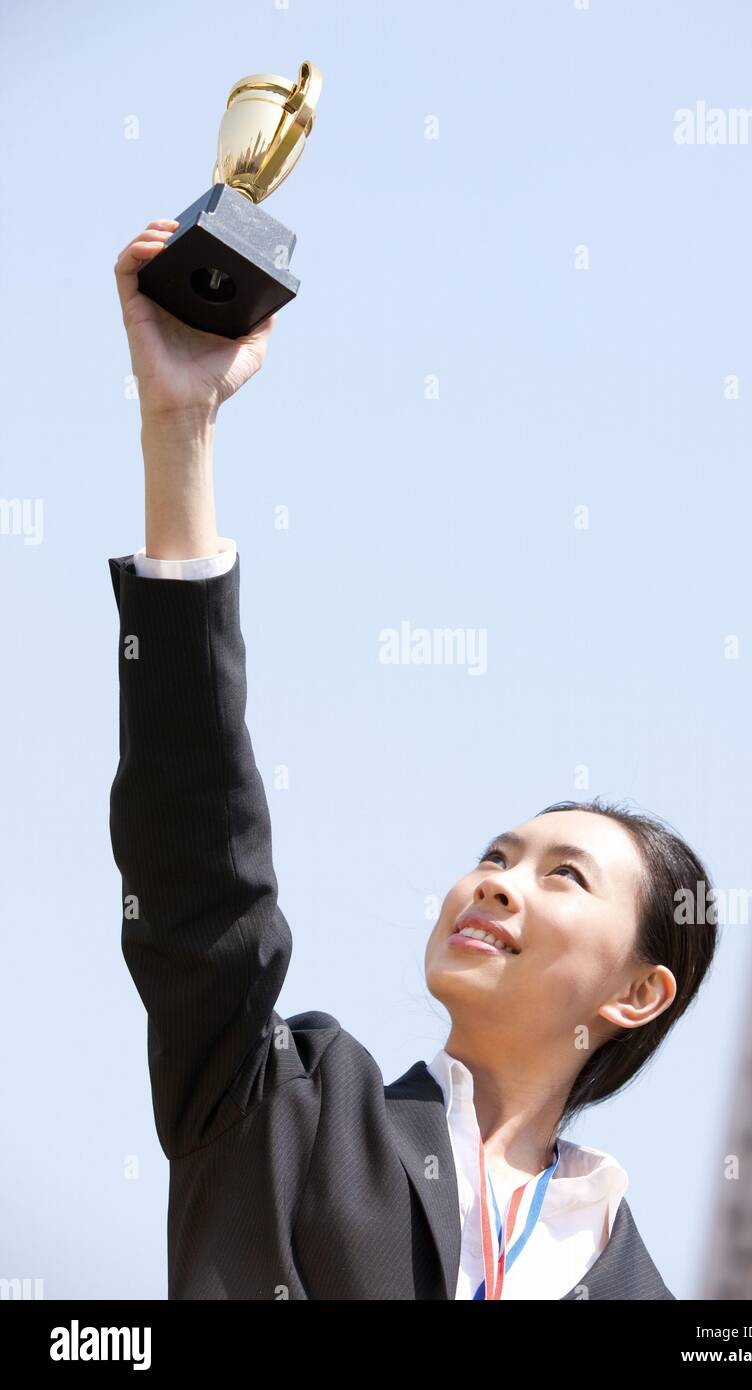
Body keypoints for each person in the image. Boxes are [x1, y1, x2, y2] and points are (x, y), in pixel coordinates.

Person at [108, 221, 718, 1301]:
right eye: (497, 852)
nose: (493, 877)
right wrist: (180, 422)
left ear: (637, 990)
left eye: (560, 873)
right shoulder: (277, 1103)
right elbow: (196, 843)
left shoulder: (632, 1287)